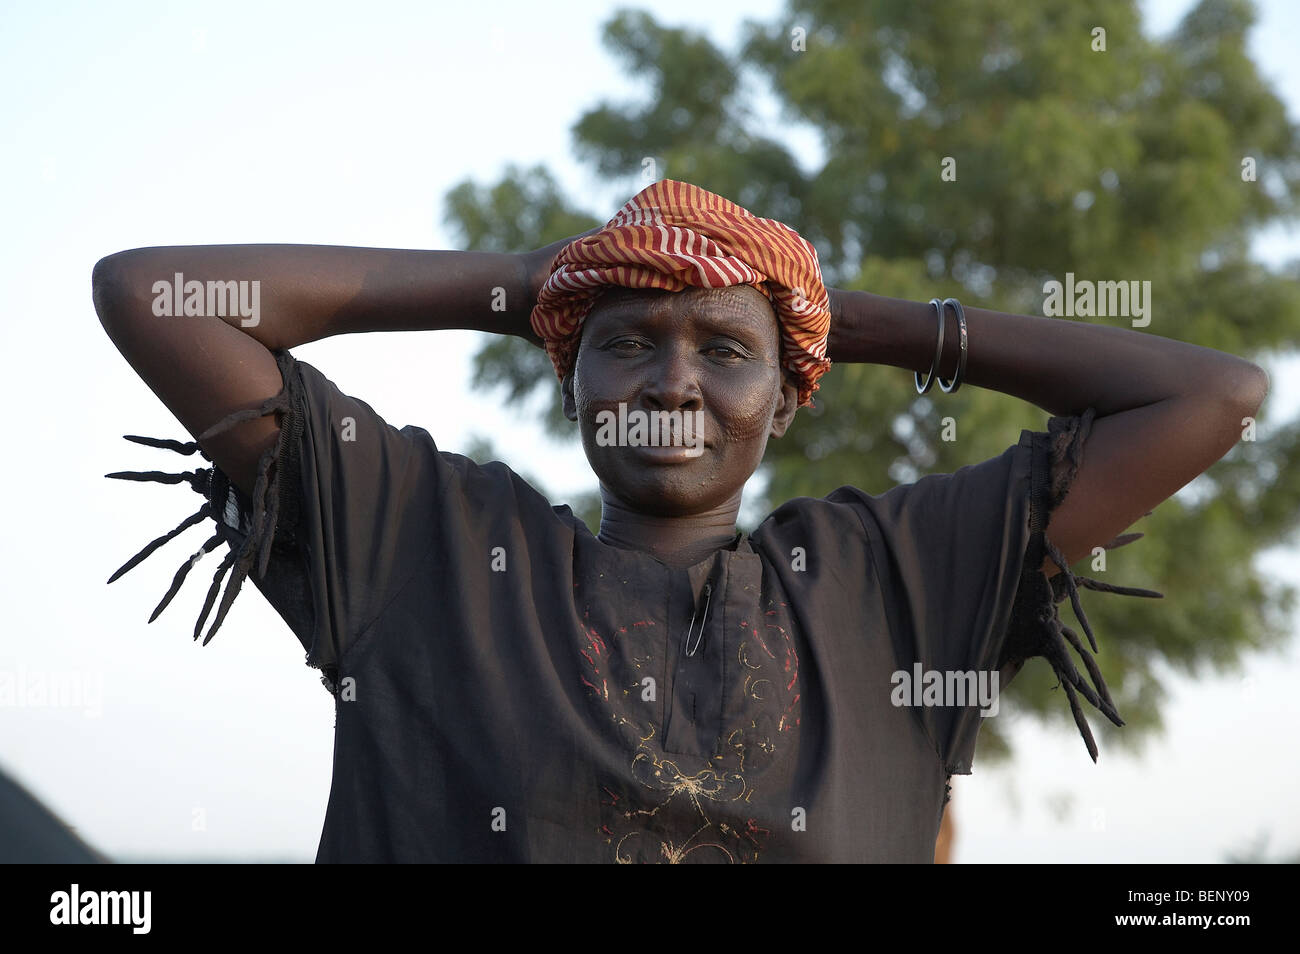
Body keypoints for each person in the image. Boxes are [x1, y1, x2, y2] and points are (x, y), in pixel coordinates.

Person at [92, 179, 1267, 863]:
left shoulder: (886, 587)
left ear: (790, 397)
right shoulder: (430, 547)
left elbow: (1210, 397)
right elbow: (154, 297)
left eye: (726, 352)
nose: (672, 383)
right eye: (623, 343)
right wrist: (524, 285)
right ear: (571, 383)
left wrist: (836, 315)